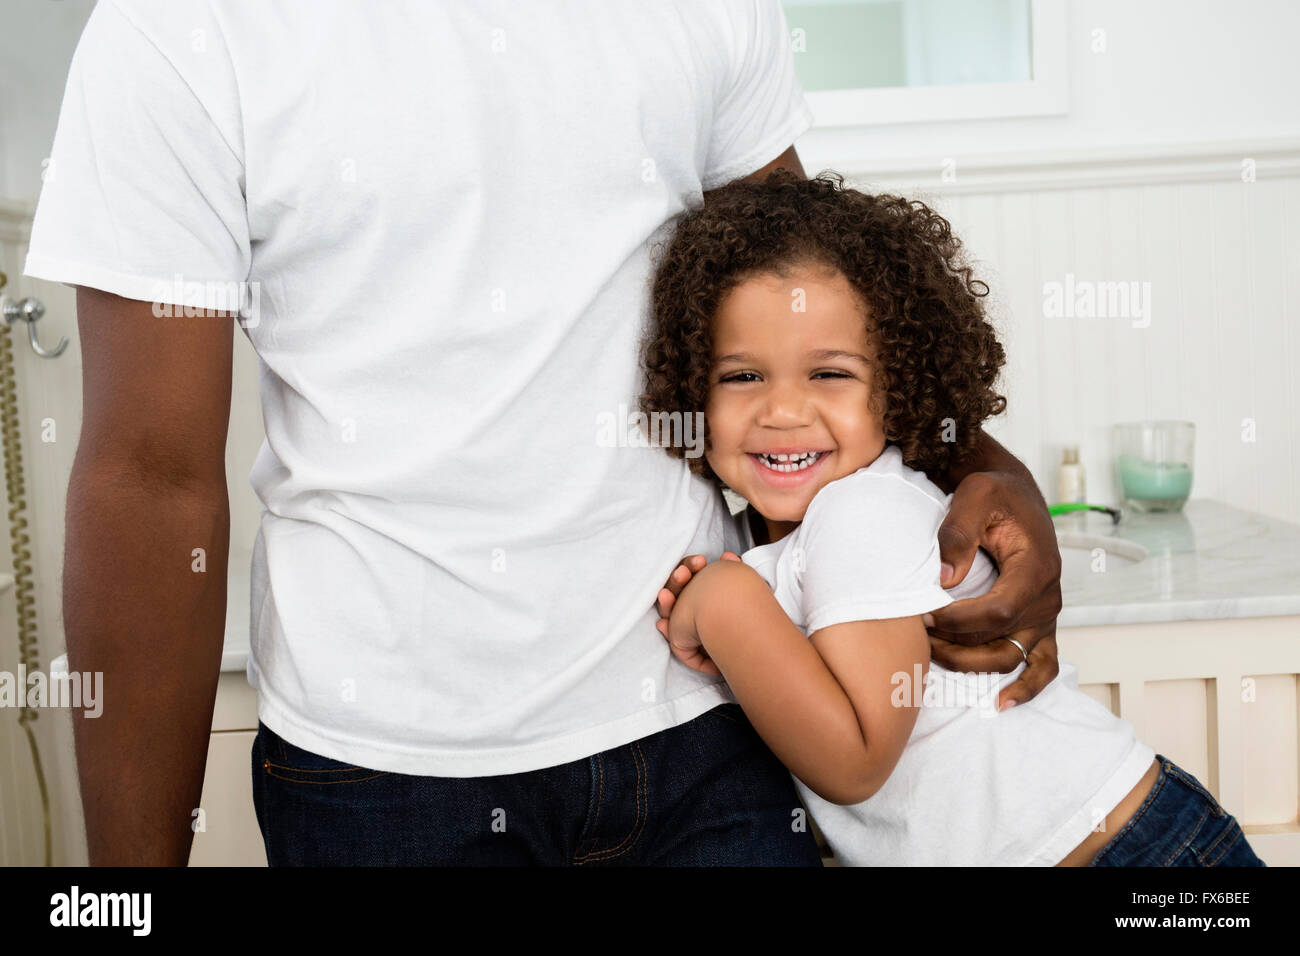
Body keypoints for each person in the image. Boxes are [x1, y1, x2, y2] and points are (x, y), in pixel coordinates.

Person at [29, 0, 1063, 866]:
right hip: (391, 780)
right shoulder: (181, 30)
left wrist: (980, 463)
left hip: (714, 722)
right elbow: (149, 481)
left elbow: (819, 289)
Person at [646, 171, 1265, 867]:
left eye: (829, 375)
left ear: (898, 387)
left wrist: (728, 607)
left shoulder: (860, 514)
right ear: (692, 387)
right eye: (742, 376)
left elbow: (855, 762)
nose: (783, 411)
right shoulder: (789, 529)